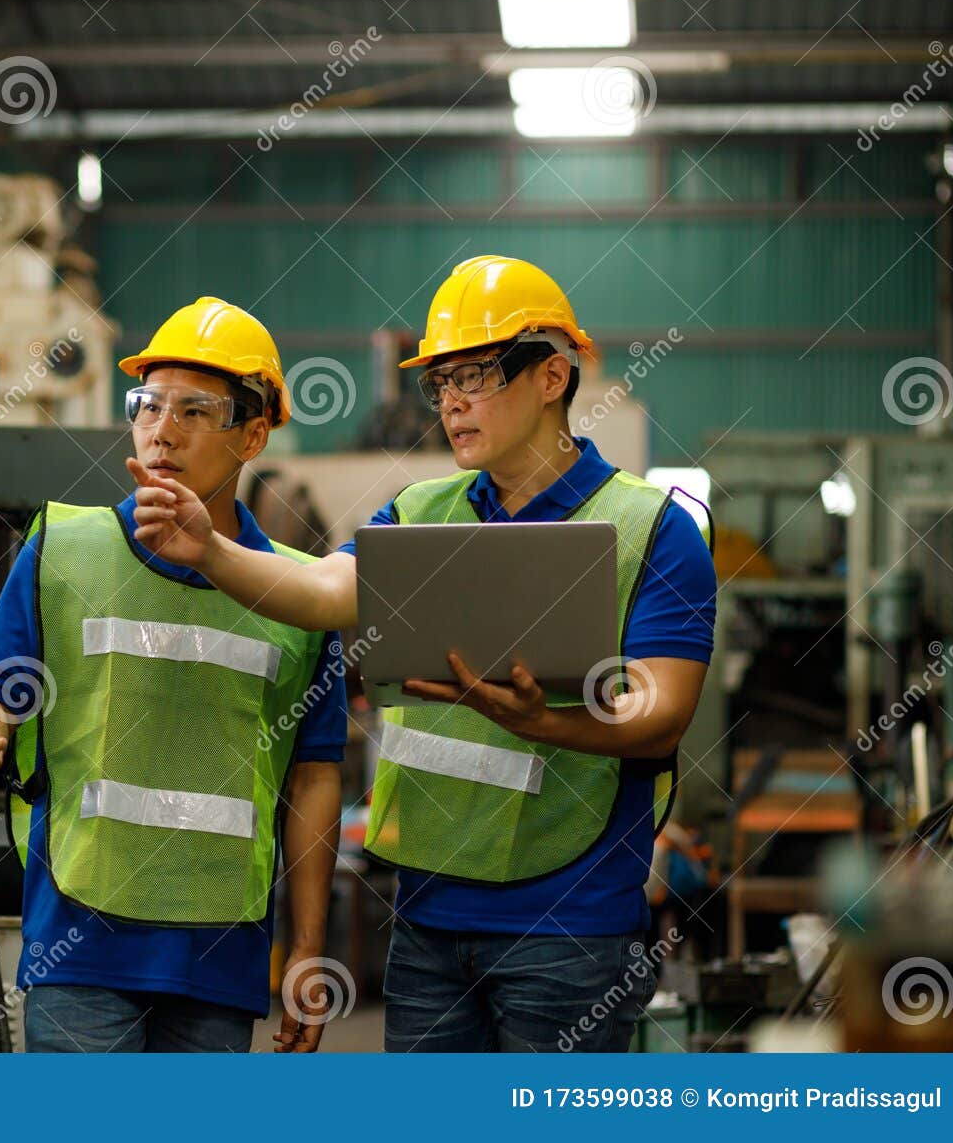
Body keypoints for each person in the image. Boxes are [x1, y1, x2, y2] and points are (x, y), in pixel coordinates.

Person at [129, 257, 717, 1052]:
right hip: (430, 921)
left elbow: (661, 714)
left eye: (473, 373)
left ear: (552, 375)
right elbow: (325, 593)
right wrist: (211, 552)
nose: (451, 400)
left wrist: (549, 723)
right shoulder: (419, 513)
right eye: (440, 381)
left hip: (569, 924)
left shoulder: (654, 530)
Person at [0, 296, 345, 1053]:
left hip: (219, 953)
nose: (161, 429)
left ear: (254, 431)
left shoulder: (297, 591)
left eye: (195, 410)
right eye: (148, 404)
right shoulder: (66, 547)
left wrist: (306, 946)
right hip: (78, 943)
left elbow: (315, 775)